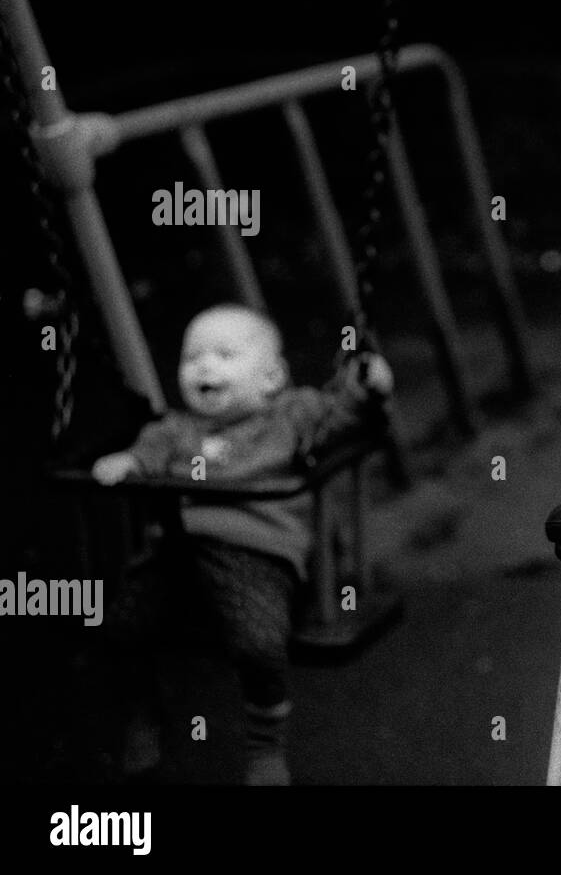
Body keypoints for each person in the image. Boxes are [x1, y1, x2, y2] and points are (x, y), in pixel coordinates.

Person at [92, 304, 393, 784]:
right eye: (192, 358)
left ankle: (264, 744)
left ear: (271, 376)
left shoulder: (294, 413)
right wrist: (128, 463)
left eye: (224, 355)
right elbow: (146, 453)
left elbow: (347, 415)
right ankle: (144, 710)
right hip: (182, 550)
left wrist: (369, 384)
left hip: (260, 555)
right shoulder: (176, 428)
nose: (203, 366)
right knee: (120, 624)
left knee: (258, 643)